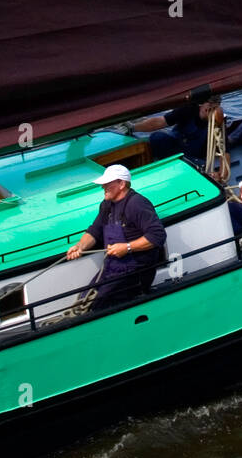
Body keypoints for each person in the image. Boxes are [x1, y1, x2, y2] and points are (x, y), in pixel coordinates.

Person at [66, 165, 167, 309]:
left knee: (97, 307)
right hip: (112, 268)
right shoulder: (106, 205)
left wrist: (127, 247)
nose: (103, 187)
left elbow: (157, 235)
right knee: (85, 300)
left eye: (107, 184)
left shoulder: (137, 204)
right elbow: (95, 231)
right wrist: (79, 247)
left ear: (121, 184)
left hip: (135, 272)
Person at [127, 98, 223, 165]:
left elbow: (224, 150)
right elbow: (160, 122)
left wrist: (222, 175)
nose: (209, 110)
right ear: (202, 104)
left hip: (194, 157)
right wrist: (133, 128)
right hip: (176, 145)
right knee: (157, 137)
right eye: (209, 106)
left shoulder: (218, 121)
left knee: (199, 166)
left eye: (214, 108)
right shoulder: (188, 110)